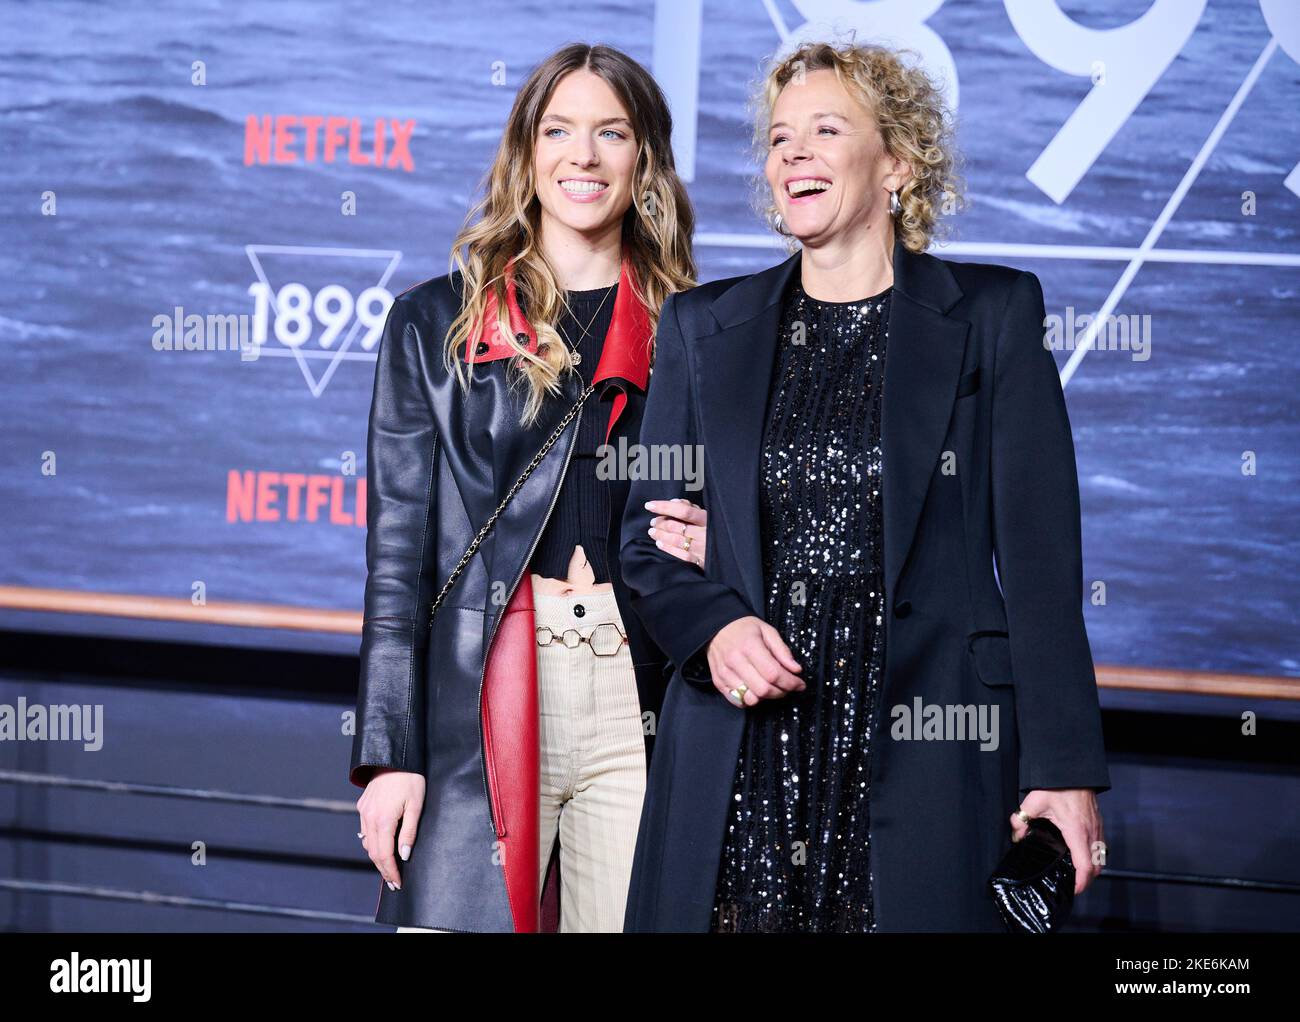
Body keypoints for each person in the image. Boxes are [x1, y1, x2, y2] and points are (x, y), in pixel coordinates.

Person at [619, 41, 1110, 932]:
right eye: (779, 138)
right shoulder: (702, 327)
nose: (793, 153)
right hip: (743, 749)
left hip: (925, 741)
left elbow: (1041, 564)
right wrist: (716, 624)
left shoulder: (993, 315)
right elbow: (643, 546)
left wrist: (1065, 771)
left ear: (897, 163)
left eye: (825, 129)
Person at [349, 43, 705, 933]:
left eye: (611, 133)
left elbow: (734, 516)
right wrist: (388, 753)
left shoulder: (701, 333)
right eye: (559, 130)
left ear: (645, 159)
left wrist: (721, 541)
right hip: (486, 684)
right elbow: (397, 558)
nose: (583, 156)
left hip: (642, 690)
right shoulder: (435, 322)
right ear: (526, 151)